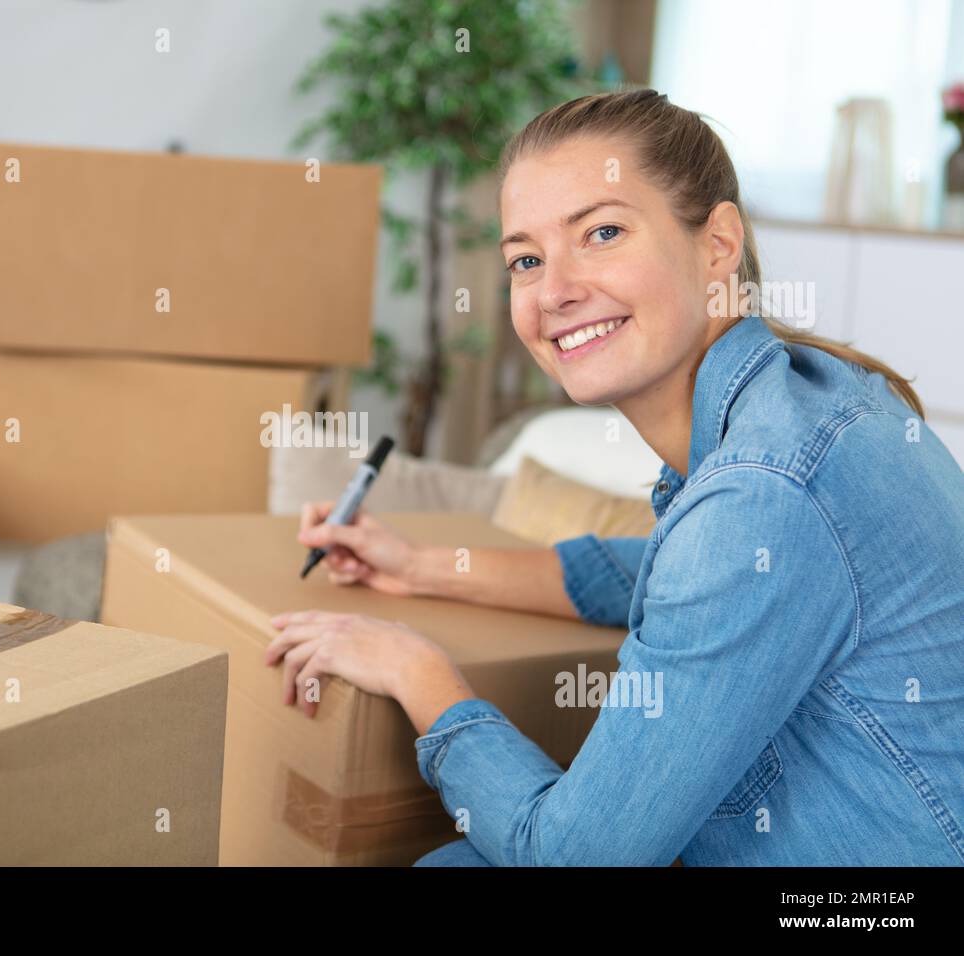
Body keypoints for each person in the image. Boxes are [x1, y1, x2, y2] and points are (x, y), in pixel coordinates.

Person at [264, 89, 964, 866]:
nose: (555, 289)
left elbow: (572, 860)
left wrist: (417, 673)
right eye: (525, 260)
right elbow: (677, 578)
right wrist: (425, 566)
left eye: (601, 233)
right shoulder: (809, 394)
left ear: (718, 245)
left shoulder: (760, 494)